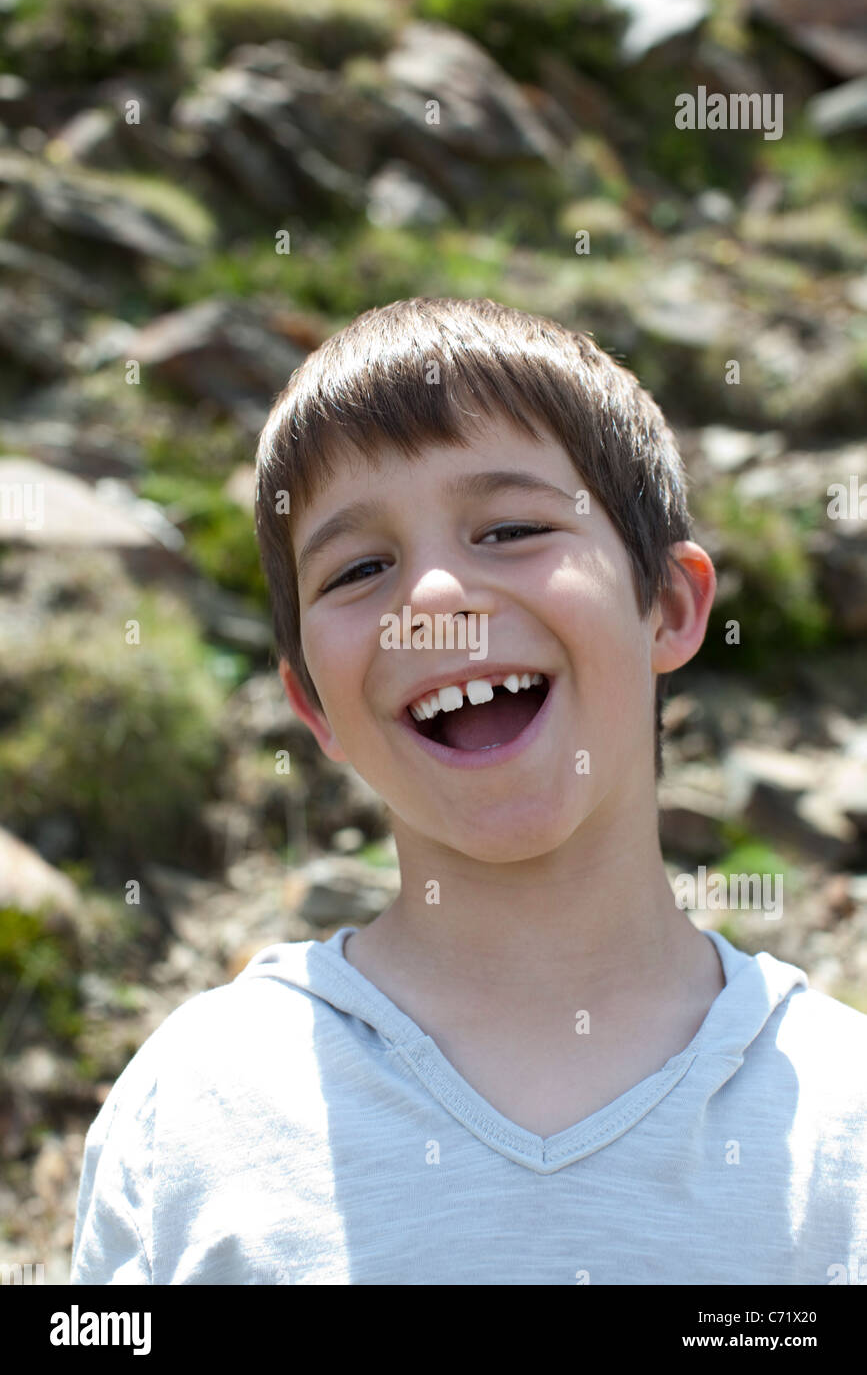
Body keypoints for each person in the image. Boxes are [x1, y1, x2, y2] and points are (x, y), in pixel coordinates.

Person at [70, 297, 867, 1284]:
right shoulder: (194, 1108)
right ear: (312, 703)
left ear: (667, 604)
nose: (436, 601)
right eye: (360, 567)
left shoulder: (848, 1119)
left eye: (512, 528)